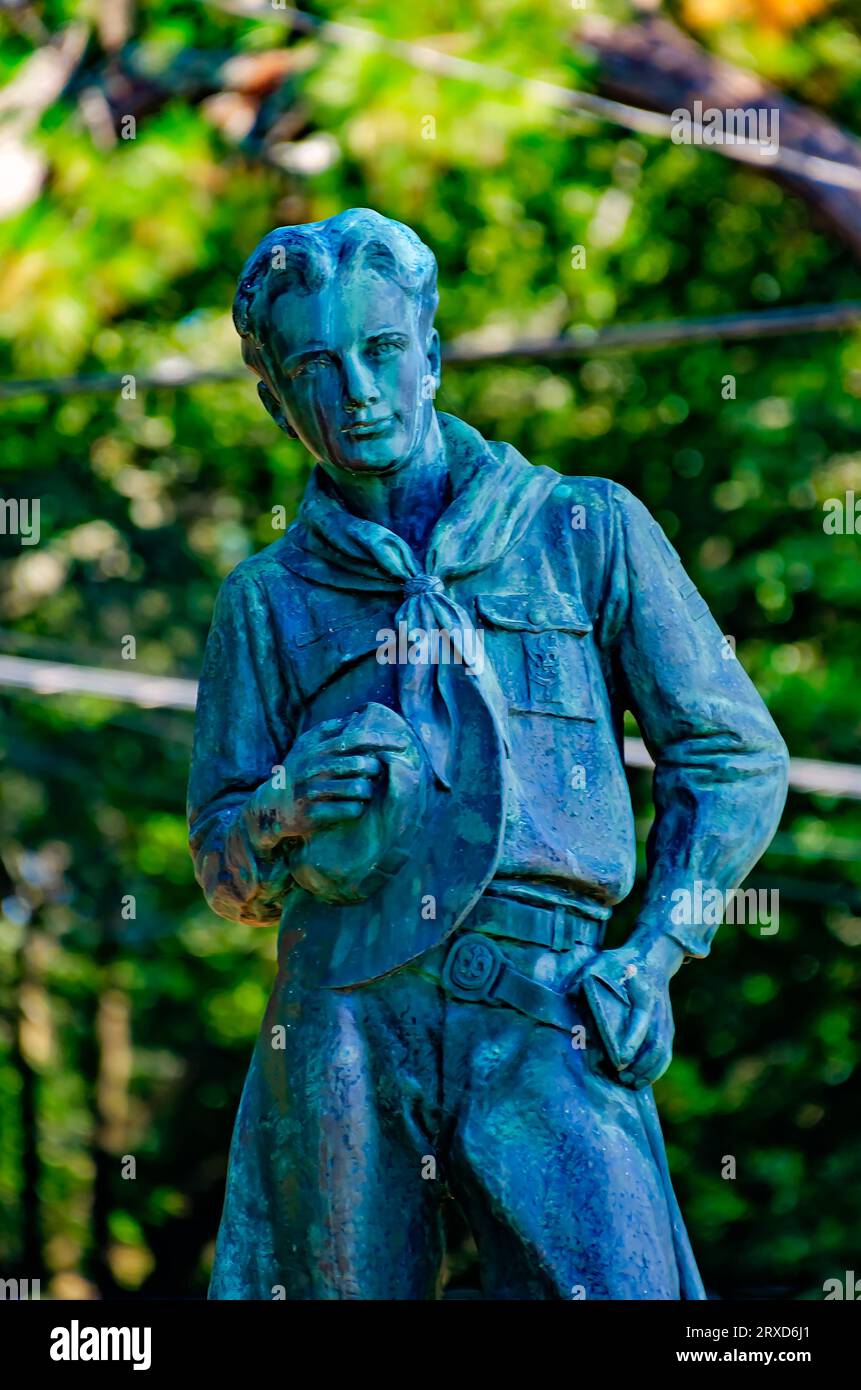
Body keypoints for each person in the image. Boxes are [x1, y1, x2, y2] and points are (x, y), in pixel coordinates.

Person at [188, 208, 789, 1299]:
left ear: (431, 349)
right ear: (277, 399)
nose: (358, 390)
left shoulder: (579, 528)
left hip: (548, 999)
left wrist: (658, 951)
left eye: (380, 351)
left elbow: (732, 756)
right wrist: (279, 807)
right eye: (316, 367)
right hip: (340, 1014)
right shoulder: (265, 601)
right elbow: (220, 861)